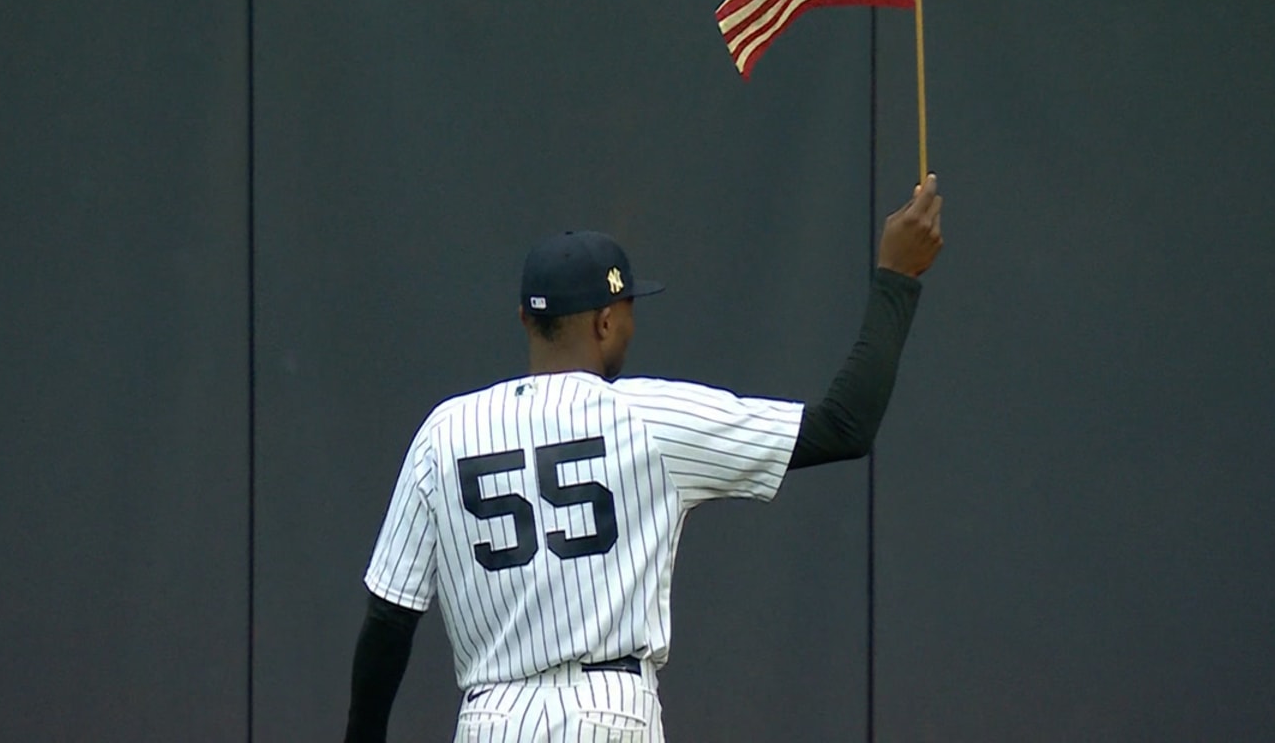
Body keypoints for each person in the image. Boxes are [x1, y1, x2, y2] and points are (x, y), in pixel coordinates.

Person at [345, 176, 944, 742]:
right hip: (609, 712)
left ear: (527, 318)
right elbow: (843, 426)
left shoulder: (445, 432)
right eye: (629, 308)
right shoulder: (647, 418)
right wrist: (897, 277)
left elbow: (389, 623)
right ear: (605, 321)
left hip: (491, 718)